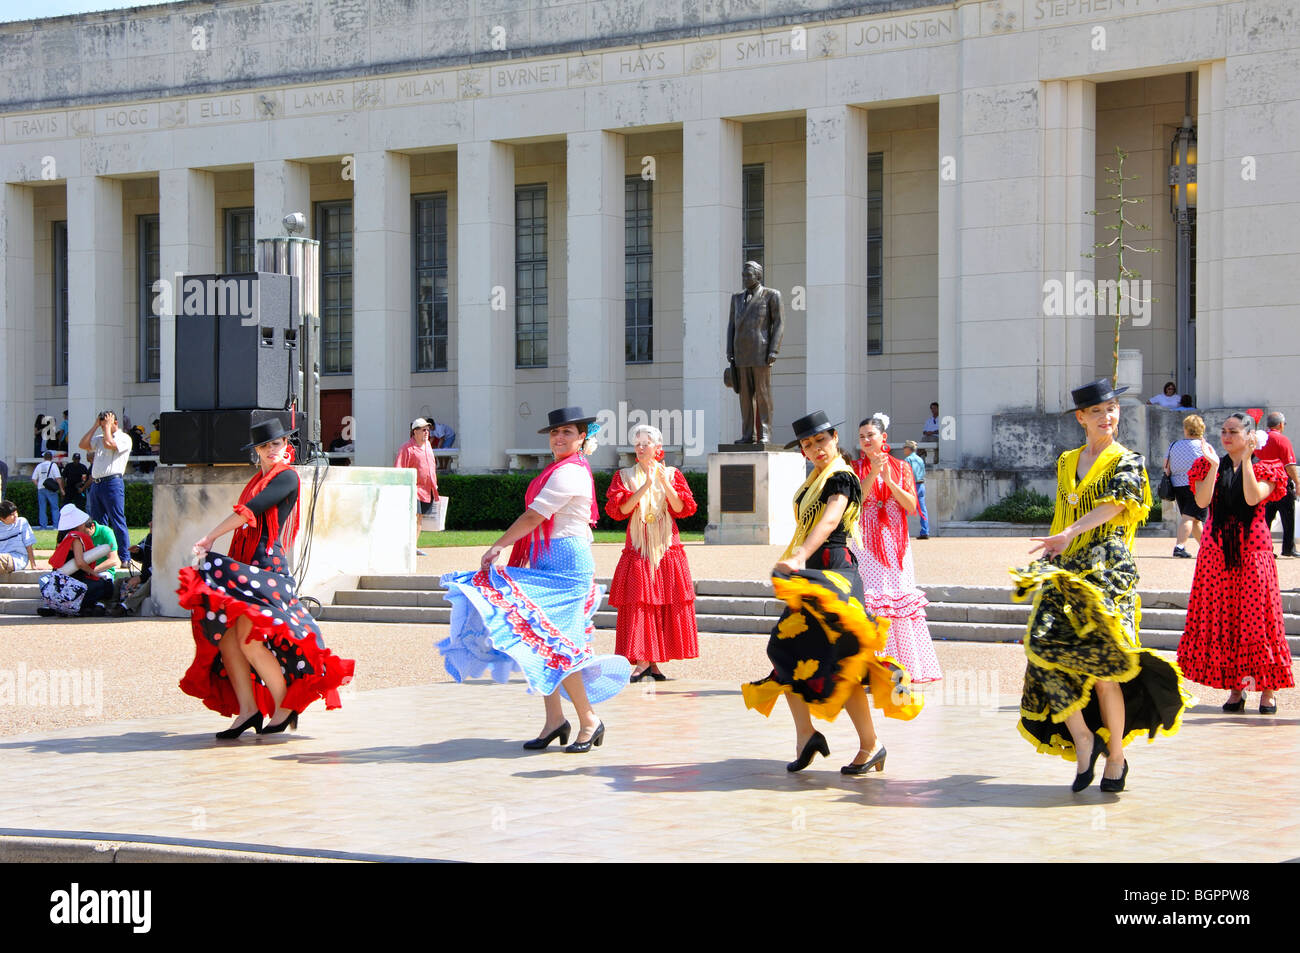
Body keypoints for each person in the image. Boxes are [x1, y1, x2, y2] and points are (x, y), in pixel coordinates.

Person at [1013, 378, 1188, 793]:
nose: (1107, 417)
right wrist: (1055, 549)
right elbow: (1063, 513)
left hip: (1108, 572)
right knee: (1043, 654)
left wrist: (1071, 531)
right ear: (1081, 418)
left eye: (1111, 409)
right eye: (1097, 412)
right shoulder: (1066, 460)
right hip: (1068, 569)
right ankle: (1084, 738)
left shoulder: (1128, 460)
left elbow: (1115, 506)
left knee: (1108, 671)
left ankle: (1117, 757)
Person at [438, 407, 631, 752]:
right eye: (555, 433)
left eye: (567, 432)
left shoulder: (569, 472)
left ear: (582, 437)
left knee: (559, 645)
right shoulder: (559, 469)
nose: (559, 438)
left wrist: (499, 545)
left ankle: (589, 720)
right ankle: (555, 720)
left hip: (568, 564)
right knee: (543, 644)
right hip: (548, 559)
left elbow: (534, 515)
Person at [743, 411, 923, 774]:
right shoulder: (814, 478)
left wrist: (799, 553)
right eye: (808, 445)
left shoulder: (841, 476)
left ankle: (870, 744)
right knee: (787, 651)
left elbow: (831, 519)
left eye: (820, 441)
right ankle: (807, 735)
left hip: (833, 573)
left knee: (839, 663)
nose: (815, 449)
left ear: (835, 438)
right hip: (814, 575)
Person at [179, 418, 355, 739]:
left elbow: (250, 510)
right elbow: (248, 507)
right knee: (228, 640)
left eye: (276, 444)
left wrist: (209, 538)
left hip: (266, 570)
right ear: (256, 451)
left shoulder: (286, 478)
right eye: (264, 445)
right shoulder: (255, 480)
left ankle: (285, 706)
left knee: (249, 641)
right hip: (245, 566)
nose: (272, 450)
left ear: (286, 446)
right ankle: (248, 710)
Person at [1177, 412, 1292, 715]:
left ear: (1249, 435)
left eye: (1234, 432)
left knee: (1257, 620)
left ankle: (1267, 691)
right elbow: (1202, 503)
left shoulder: (1267, 468)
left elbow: (1254, 498)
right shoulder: (1208, 464)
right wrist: (1215, 466)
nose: (1226, 437)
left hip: (1253, 550)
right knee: (1227, 619)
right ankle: (1235, 689)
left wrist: (1249, 460)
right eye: (1224, 431)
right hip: (1217, 553)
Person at [605, 423, 699, 681]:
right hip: (638, 545)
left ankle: (654, 662)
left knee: (662, 602)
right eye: (637, 442)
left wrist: (662, 482)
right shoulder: (624, 476)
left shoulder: (672, 474)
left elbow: (682, 508)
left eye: (646, 442)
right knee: (639, 601)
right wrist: (645, 485)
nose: (641, 446)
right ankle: (642, 660)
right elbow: (621, 511)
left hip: (667, 546)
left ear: (659, 448)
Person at [852, 418, 942, 683]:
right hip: (866, 539)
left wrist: (890, 481)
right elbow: (856, 501)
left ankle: (906, 665)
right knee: (871, 597)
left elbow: (912, 506)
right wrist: (871, 474)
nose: (867, 440)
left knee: (898, 597)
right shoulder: (855, 467)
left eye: (871, 435)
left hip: (895, 538)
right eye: (862, 436)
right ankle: (874, 665)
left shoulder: (901, 466)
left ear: (883, 437)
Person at [726, 261, 784, 444]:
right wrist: (729, 349)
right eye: (743, 275)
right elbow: (731, 326)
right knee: (745, 397)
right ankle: (747, 434)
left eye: (748, 275)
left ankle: (765, 433)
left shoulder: (771, 295)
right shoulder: (736, 298)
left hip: (761, 352)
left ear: (758, 276)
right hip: (741, 354)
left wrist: (774, 349)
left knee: (763, 394)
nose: (745, 278)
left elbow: (779, 323)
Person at [38, 505, 118, 616]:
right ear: (79, 525)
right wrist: (94, 573)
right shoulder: (76, 539)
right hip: (74, 583)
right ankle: (80, 607)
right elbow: (80, 563)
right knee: (106, 586)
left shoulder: (62, 538)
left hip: (61, 583)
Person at [79, 410, 132, 566]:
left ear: (115, 422)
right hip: (97, 483)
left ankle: (124, 556)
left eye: (106, 424)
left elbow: (110, 444)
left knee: (117, 520)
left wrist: (108, 427)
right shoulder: (101, 437)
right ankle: (102, 556)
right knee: (98, 523)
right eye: (102, 425)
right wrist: (96, 425)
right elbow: (82, 444)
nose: (103, 428)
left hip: (112, 482)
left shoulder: (124, 438)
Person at [1164, 415, 1209, 558]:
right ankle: (1180, 546)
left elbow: (1166, 466)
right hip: (1197, 486)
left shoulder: (1174, 445)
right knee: (1189, 517)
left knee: (1194, 519)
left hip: (1177, 485)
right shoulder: (1204, 446)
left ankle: (1207, 549)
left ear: (1186, 429)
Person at [395, 418, 440, 557]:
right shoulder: (406, 448)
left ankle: (413, 546)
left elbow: (431, 467)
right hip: (413, 490)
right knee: (412, 518)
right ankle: (405, 547)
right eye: (423, 430)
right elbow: (399, 469)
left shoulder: (428, 446)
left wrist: (435, 484)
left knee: (419, 518)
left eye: (428, 430)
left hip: (427, 490)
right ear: (415, 432)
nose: (427, 432)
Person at [1256, 412, 1297, 558]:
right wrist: (1298, 482)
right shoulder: (1282, 439)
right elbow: (1289, 464)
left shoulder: (1260, 439)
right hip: (1281, 483)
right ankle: (1288, 548)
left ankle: (1265, 546)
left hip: (1264, 483)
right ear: (1280, 424)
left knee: (1265, 519)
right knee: (1288, 518)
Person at [902, 439, 930, 540]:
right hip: (921, 485)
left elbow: (905, 474)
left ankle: (901, 531)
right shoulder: (920, 459)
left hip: (911, 486)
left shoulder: (907, 460)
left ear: (909, 449)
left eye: (904, 447)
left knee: (903, 509)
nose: (903, 450)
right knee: (922, 510)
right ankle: (925, 531)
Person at [0, 501, 37, 576]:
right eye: (12, 515)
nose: (16, 516)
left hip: (18, 559)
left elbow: (28, 545)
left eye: (16, 513)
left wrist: (33, 565)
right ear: (2, 518)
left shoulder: (22, 522)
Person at [31, 450, 63, 531]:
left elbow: (34, 478)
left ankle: (43, 527)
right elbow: (58, 478)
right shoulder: (54, 465)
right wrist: (61, 489)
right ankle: (55, 526)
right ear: (51, 458)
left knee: (42, 508)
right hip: (51, 489)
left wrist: (38, 485)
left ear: (44, 458)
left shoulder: (39, 466)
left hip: (41, 489)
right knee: (55, 508)